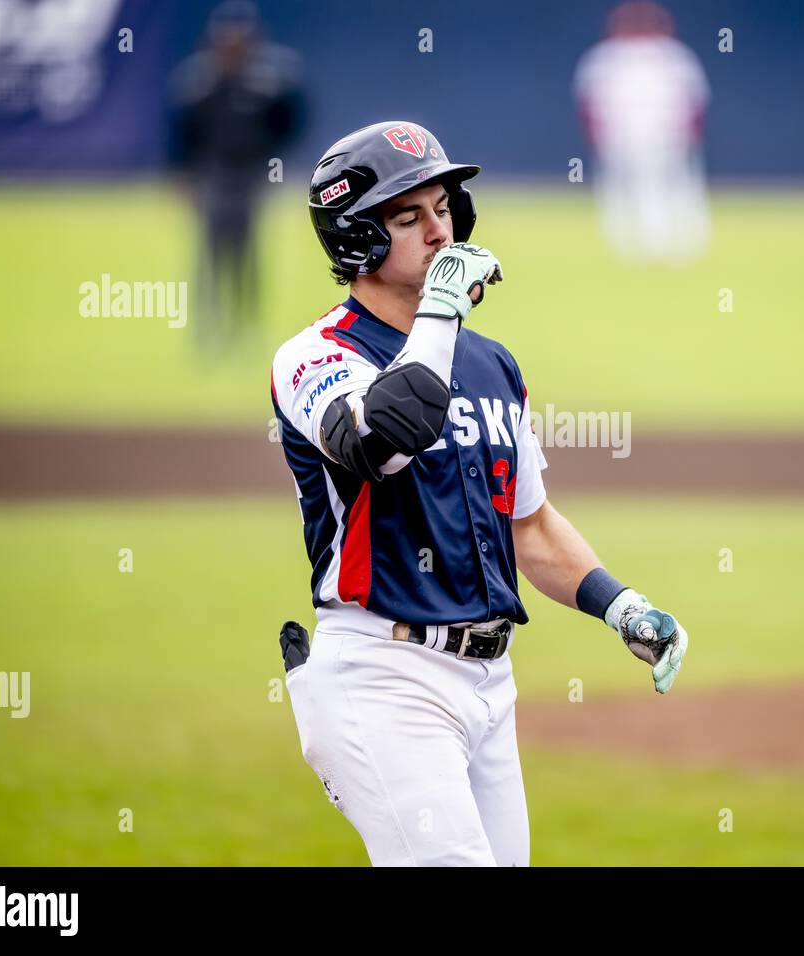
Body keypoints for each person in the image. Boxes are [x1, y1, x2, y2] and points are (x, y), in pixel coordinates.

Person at [270, 120, 689, 867]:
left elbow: (528, 525)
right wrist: (438, 312)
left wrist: (620, 605)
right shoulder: (315, 354)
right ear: (356, 241)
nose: (440, 232)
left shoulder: (492, 363)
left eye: (443, 208)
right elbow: (381, 438)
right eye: (409, 218)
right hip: (384, 675)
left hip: (490, 682)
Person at [170, 1, 304, 348]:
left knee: (248, 252)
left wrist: (272, 160)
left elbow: (289, 120)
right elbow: (183, 134)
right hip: (212, 175)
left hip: (251, 175)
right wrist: (185, 176)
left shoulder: (267, 83)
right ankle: (209, 326)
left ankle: (246, 324)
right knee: (211, 252)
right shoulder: (199, 84)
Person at [573, 1, 711, 262]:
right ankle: (629, 248)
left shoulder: (674, 57)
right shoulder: (605, 58)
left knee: (674, 189)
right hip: (621, 137)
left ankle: (680, 246)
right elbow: (589, 105)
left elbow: (694, 104)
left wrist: (688, 136)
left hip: (666, 136)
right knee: (622, 191)